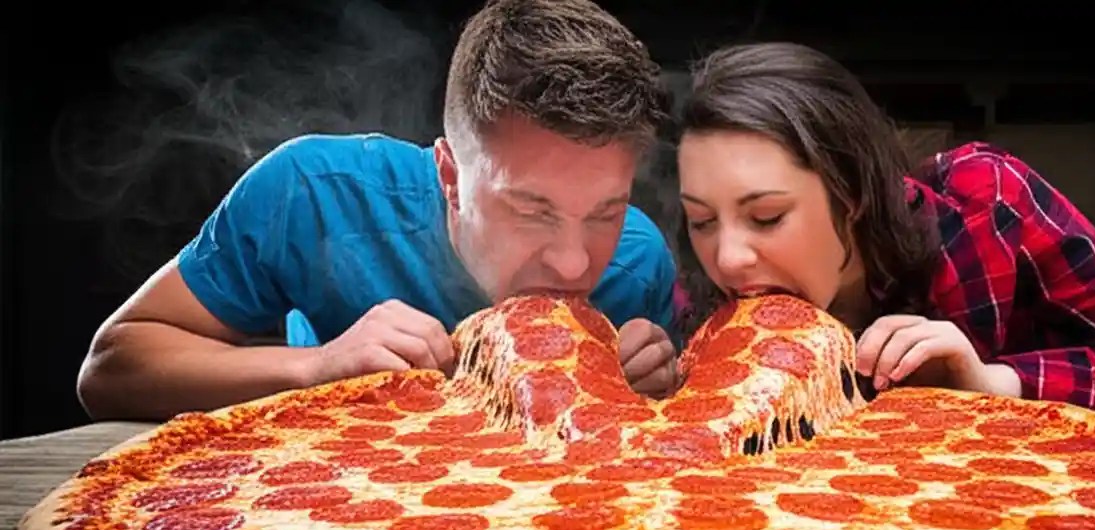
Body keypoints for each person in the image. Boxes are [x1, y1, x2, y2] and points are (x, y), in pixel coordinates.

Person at [76, 0, 680, 421]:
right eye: (531, 209)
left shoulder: (640, 260)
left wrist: (643, 388)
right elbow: (111, 369)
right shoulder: (311, 189)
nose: (575, 265)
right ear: (449, 175)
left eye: (605, 212)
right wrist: (315, 366)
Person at [671, 41, 1095, 419]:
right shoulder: (704, 298)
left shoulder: (985, 202)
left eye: (766, 216)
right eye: (702, 220)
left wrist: (993, 384)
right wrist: (658, 391)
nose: (728, 258)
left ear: (856, 192)